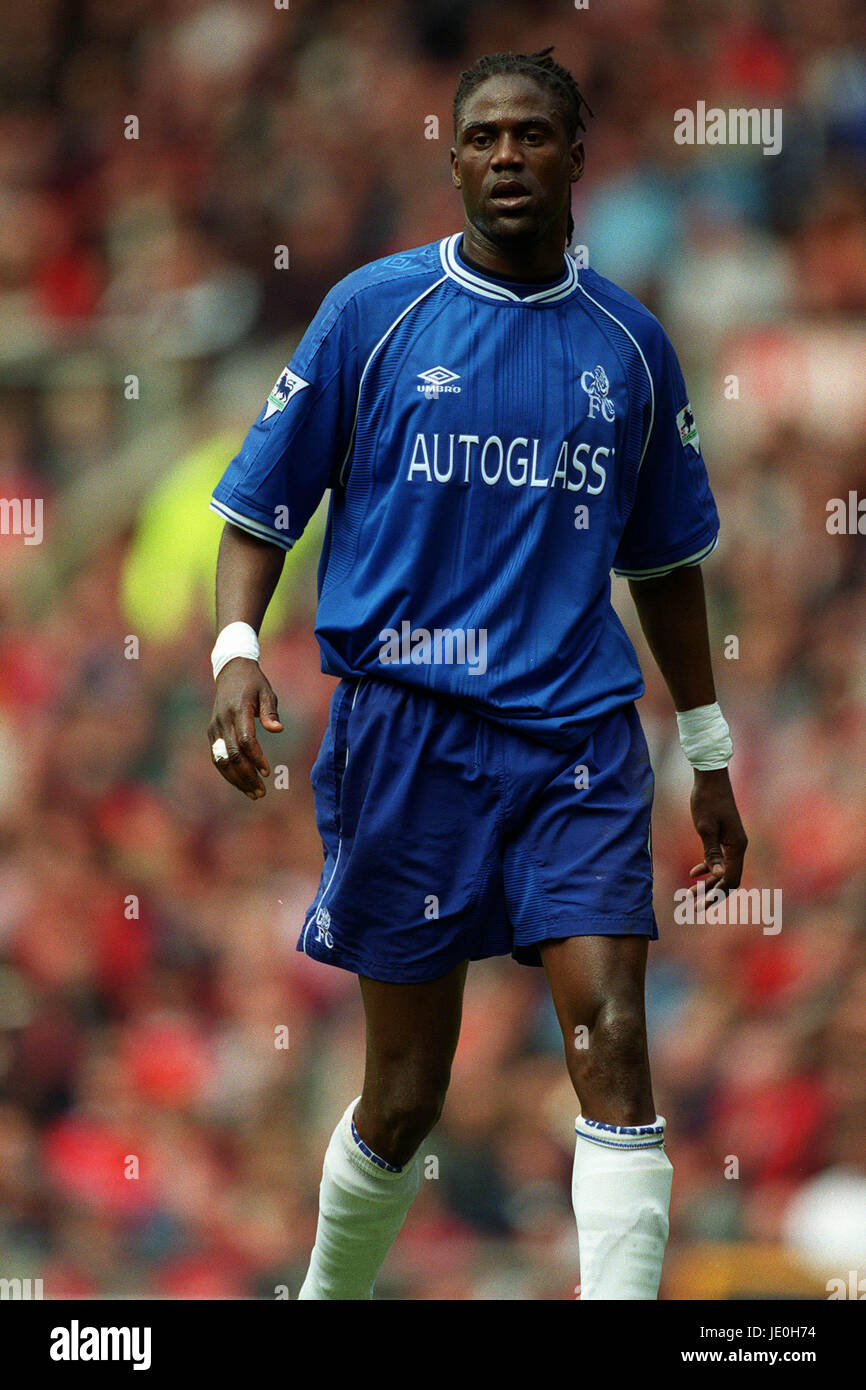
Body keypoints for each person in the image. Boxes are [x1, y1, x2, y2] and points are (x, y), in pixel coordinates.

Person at [206, 46, 747, 1300]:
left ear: (575, 155)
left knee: (610, 1033)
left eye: (531, 137)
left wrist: (708, 753)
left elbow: (665, 565)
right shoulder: (369, 313)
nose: (506, 157)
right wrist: (236, 650)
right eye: (483, 138)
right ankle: (327, 1296)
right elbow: (259, 515)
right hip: (406, 733)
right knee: (405, 1096)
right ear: (450, 158)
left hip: (577, 737)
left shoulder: (631, 345)